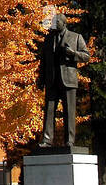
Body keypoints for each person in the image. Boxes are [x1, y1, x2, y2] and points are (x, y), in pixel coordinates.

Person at [37, 12, 90, 147]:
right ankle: (47, 140)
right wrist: (40, 79)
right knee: (49, 111)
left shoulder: (75, 37)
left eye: (57, 22)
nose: (55, 25)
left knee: (69, 112)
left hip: (68, 80)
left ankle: (69, 140)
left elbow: (86, 56)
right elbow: (43, 62)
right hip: (51, 80)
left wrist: (73, 54)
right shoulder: (48, 40)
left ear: (64, 23)